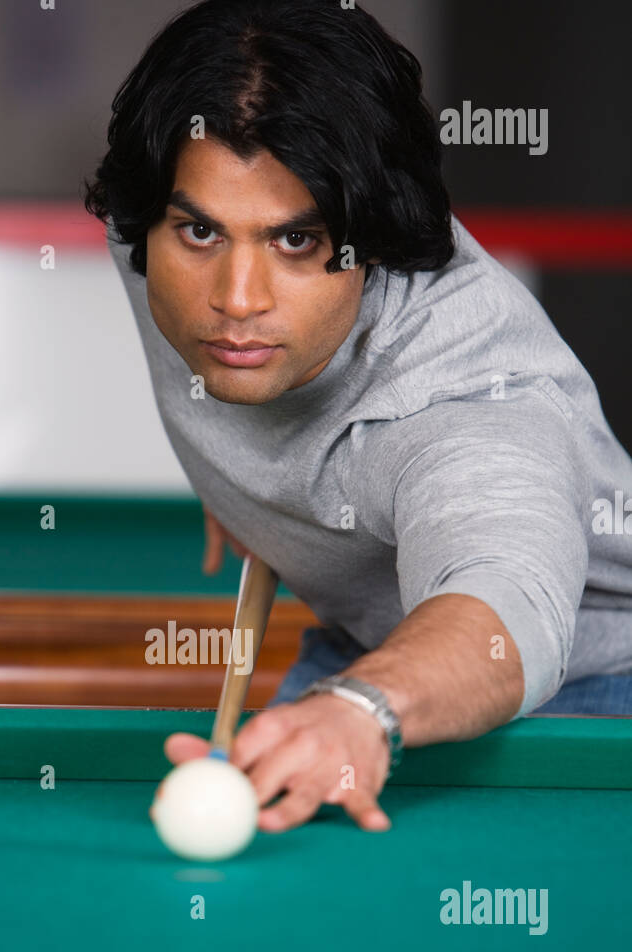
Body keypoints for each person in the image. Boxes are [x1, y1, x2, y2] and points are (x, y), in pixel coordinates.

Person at [84, 0, 632, 833]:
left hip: (586, 679)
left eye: (297, 243)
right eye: (199, 231)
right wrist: (245, 486)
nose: (236, 300)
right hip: (366, 646)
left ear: (371, 241)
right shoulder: (155, 230)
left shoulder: (468, 395)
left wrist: (362, 709)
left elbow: (507, 602)